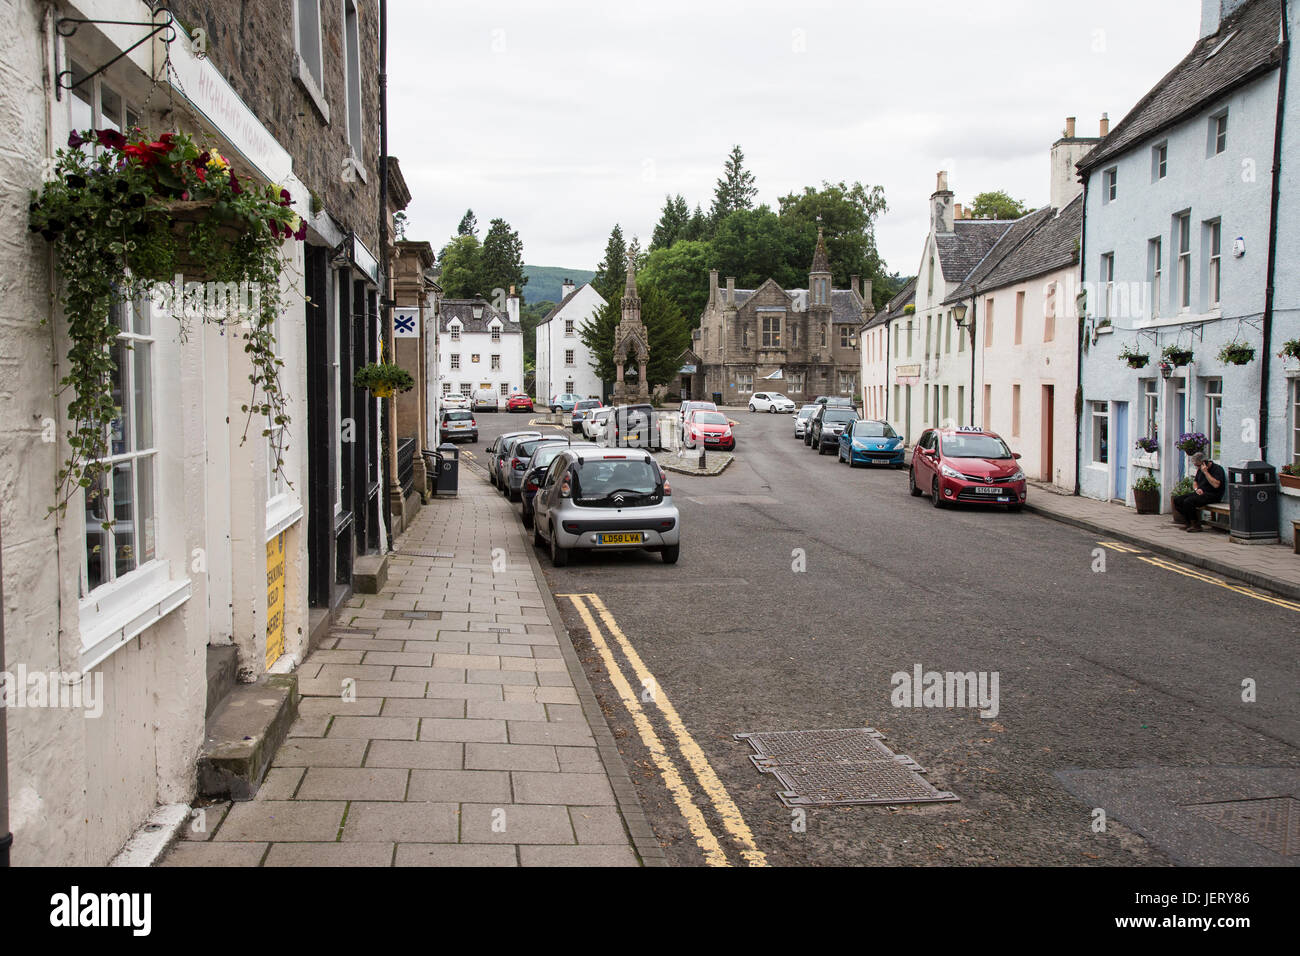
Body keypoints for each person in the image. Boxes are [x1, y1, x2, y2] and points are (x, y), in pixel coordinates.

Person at [1172, 452, 1226, 531]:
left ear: (1205, 462)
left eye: (1198, 465)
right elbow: (1195, 482)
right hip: (1200, 493)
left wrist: (1206, 472)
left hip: (1213, 495)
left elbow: (1216, 485)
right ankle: (1188, 522)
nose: (1197, 467)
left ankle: (1196, 524)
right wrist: (1197, 489)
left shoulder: (1217, 469)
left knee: (1188, 501)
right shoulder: (1199, 469)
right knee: (1177, 500)